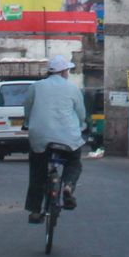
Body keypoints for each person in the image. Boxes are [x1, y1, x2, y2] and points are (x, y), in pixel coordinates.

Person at [25, 53, 89, 223]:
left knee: (37, 170)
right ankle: (68, 186)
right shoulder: (73, 89)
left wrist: (27, 123)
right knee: (74, 162)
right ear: (63, 72)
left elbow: (28, 108)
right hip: (67, 138)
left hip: (40, 137)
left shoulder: (35, 87)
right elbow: (81, 113)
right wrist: (82, 124)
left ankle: (35, 210)